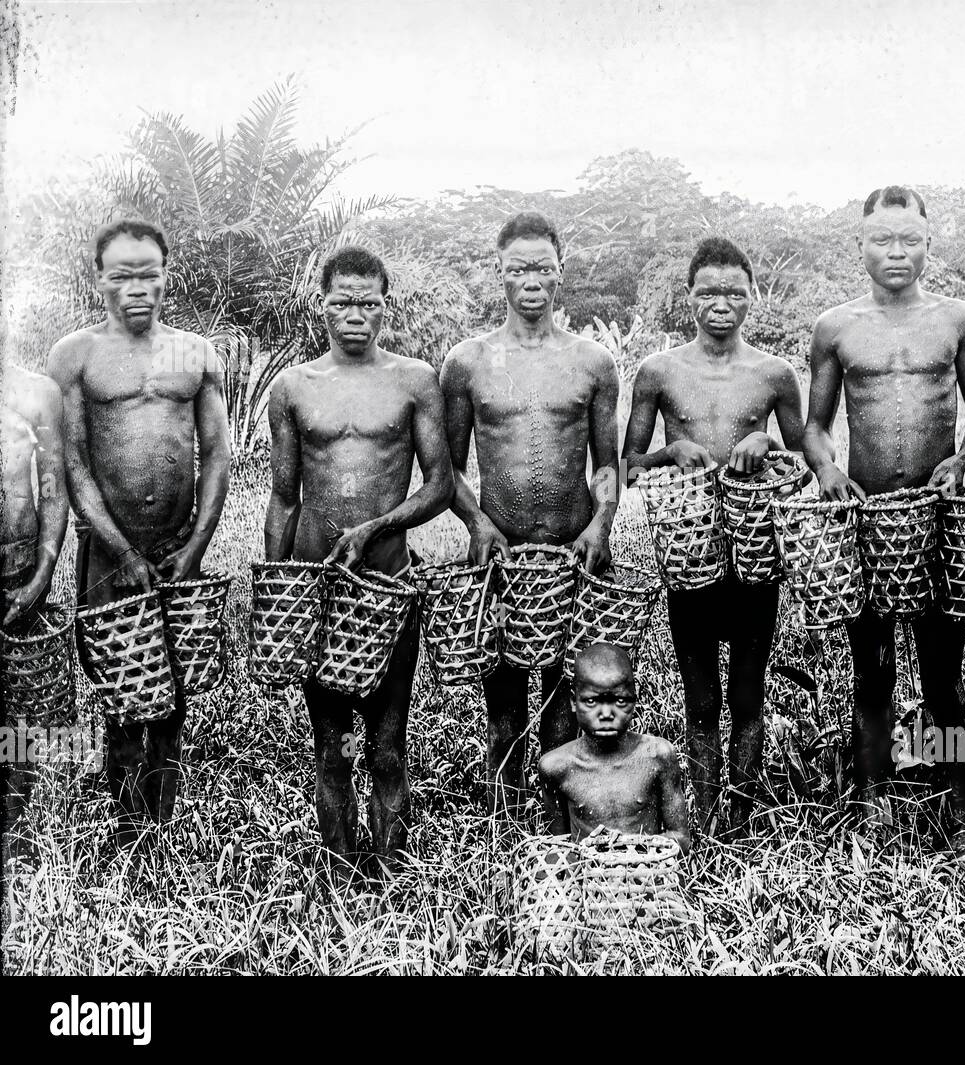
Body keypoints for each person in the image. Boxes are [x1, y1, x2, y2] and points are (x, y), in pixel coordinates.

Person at [801, 186, 965, 844]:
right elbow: (815, 429)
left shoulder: (957, 320)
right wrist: (828, 470)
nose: (896, 252)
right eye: (882, 240)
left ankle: (961, 805)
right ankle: (872, 803)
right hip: (868, 519)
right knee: (873, 667)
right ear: (859, 247)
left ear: (927, 245)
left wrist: (962, 460)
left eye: (908, 240)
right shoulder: (836, 327)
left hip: (938, 519)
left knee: (944, 669)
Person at [265, 244, 456, 871]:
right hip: (317, 587)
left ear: (385, 308)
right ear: (321, 306)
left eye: (366, 303)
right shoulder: (293, 386)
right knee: (332, 747)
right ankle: (344, 871)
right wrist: (277, 594)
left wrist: (380, 525)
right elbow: (283, 497)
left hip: (389, 584)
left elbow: (439, 485)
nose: (354, 314)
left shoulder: (413, 379)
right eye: (341, 302)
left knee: (387, 744)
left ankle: (388, 875)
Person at [47, 218, 231, 844]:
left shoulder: (196, 353)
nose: (136, 288)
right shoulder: (76, 356)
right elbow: (73, 462)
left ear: (165, 277)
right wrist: (120, 549)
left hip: (179, 551)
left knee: (175, 694)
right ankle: (128, 834)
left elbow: (218, 455)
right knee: (124, 694)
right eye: (121, 275)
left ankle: (161, 828)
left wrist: (197, 545)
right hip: (107, 553)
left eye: (147, 274)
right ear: (99, 279)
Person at [622, 235, 804, 833]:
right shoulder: (659, 372)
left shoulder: (774, 375)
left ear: (753, 298)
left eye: (733, 291)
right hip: (689, 552)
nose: (721, 303)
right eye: (708, 292)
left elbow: (806, 460)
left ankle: (743, 820)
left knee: (748, 695)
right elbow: (627, 465)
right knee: (701, 701)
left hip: (754, 558)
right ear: (689, 298)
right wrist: (669, 449)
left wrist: (767, 441)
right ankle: (704, 816)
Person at [441, 212, 620, 816]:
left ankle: (562, 821)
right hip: (501, 557)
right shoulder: (468, 362)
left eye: (543, 266)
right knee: (504, 706)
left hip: (577, 552)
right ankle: (504, 825)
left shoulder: (593, 363)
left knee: (571, 700)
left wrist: (603, 521)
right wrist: (476, 522)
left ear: (561, 271)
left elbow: (606, 462)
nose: (531, 279)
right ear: (500, 274)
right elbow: (449, 469)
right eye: (518, 268)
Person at [539, 643, 691, 856]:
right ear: (574, 701)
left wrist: (633, 858)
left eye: (619, 700)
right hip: (588, 881)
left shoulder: (657, 756)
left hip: (649, 879)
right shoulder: (556, 767)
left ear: (634, 699)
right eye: (592, 701)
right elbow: (558, 849)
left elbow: (681, 838)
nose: (606, 714)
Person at [1, 363, 69, 838]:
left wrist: (42, 575)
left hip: (17, 568)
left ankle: (15, 831)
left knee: (21, 714)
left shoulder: (36, 394)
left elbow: (54, 487)